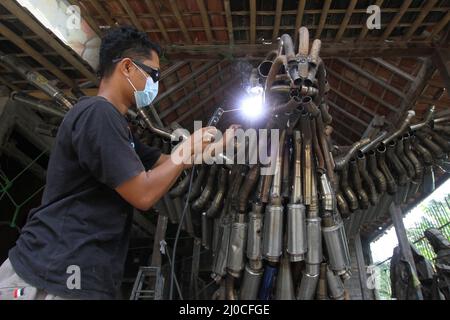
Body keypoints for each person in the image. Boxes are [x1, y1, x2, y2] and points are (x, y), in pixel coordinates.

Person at [0, 26, 231, 299]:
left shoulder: (120, 129)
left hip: (77, 276)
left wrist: (219, 146)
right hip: (51, 275)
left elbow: (165, 163)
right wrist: (187, 147)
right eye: (153, 75)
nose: (156, 85)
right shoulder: (97, 114)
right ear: (127, 67)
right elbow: (143, 194)